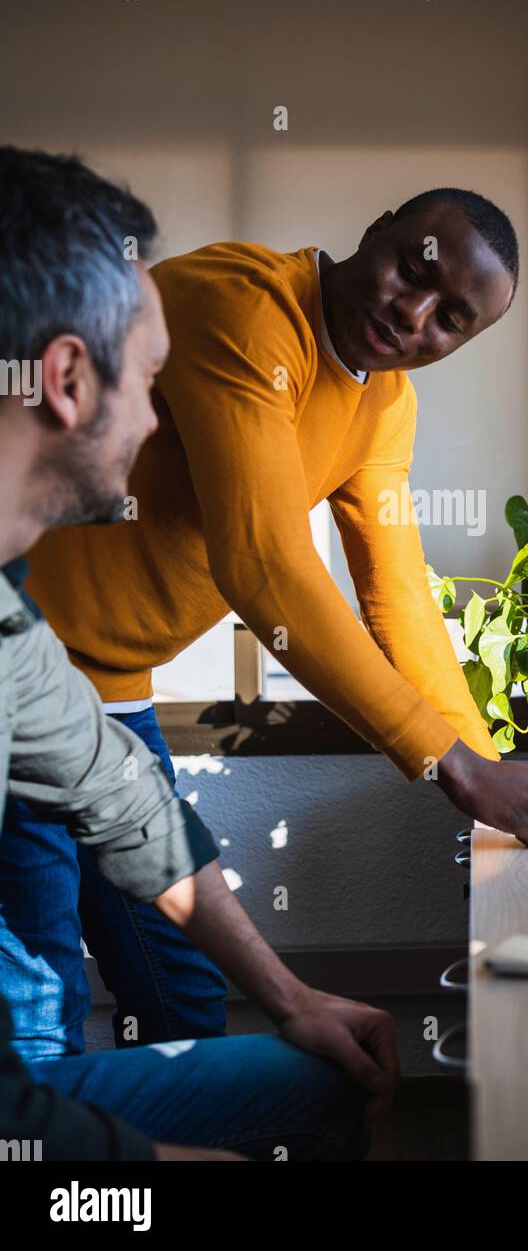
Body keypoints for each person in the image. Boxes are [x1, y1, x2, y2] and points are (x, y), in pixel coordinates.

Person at [21, 174, 528, 1055]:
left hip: (111, 695)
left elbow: (396, 593)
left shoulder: (386, 405)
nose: (415, 313)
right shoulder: (247, 308)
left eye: (451, 318)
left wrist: (495, 770)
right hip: (21, 672)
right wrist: (452, 769)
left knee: (182, 1000)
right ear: (378, 226)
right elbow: (264, 564)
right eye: (411, 268)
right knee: (41, 1012)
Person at [0, 146, 397, 1159]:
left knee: (314, 1074)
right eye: (153, 380)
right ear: (68, 380)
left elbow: (129, 806)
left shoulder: (11, 618)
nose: (157, 417)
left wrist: (292, 994)